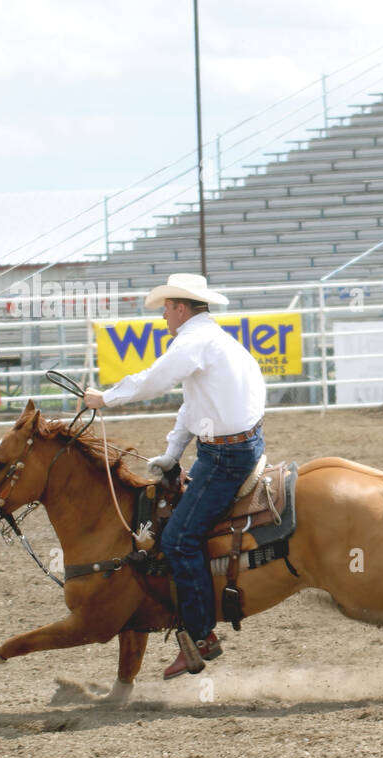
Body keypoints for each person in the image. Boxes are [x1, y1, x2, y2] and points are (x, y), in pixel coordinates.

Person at [83, 273, 266, 679]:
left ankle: (201, 637)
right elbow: (193, 406)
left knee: (179, 540)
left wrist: (105, 398)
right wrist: (171, 453)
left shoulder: (192, 343)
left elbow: (154, 379)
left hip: (223, 456)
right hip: (238, 445)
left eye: (166, 308)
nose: (164, 315)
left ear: (182, 308)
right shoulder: (218, 341)